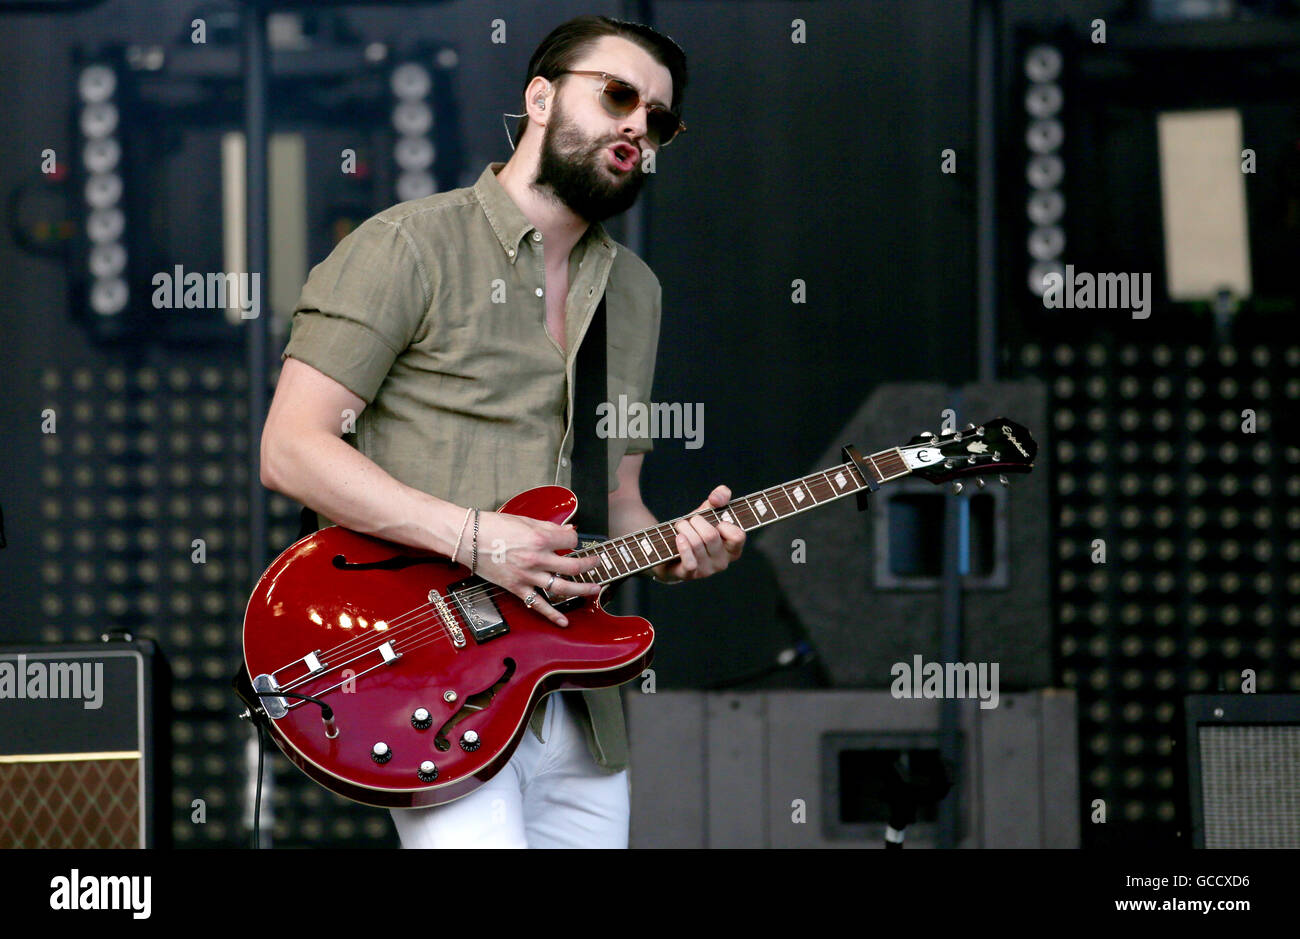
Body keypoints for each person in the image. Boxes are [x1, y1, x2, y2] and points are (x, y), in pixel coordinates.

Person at [259, 15, 745, 848]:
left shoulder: (635, 293)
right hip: (433, 681)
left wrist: (677, 547)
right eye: (619, 95)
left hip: (579, 709)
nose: (638, 125)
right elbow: (292, 449)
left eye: (658, 119)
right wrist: (479, 538)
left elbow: (615, 502)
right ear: (541, 97)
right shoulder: (407, 245)